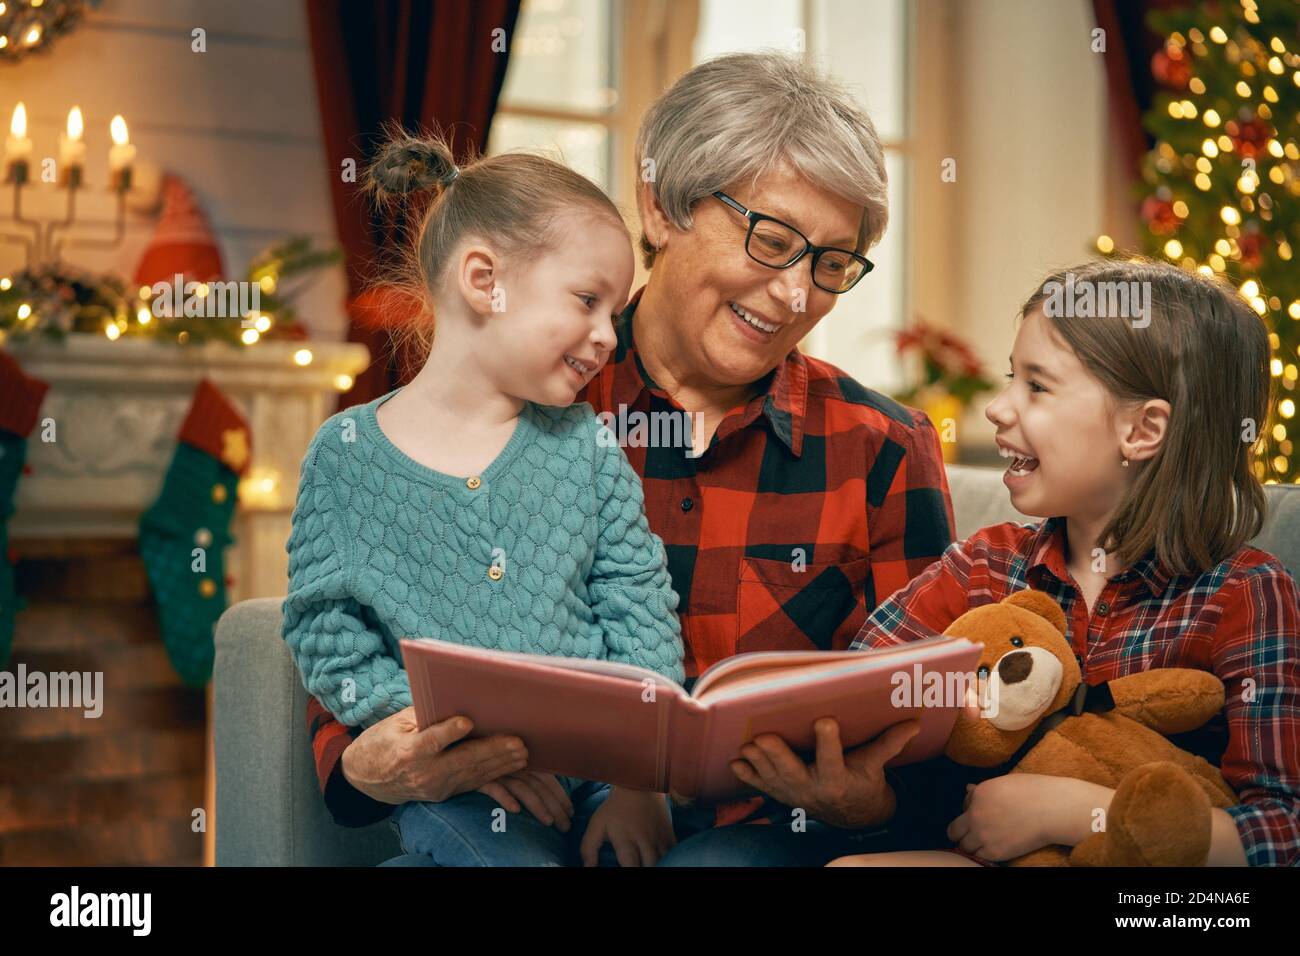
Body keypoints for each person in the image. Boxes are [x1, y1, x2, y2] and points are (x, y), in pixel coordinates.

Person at [302, 51, 956, 867]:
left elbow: (936, 740)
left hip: (756, 841)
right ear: (660, 208)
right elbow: (354, 626)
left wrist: (870, 803)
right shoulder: (517, 393)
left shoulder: (885, 449)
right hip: (521, 816)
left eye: (829, 264)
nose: (797, 296)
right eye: (772, 239)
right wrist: (373, 762)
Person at [282, 126, 686, 867]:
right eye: (587, 301)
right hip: (461, 787)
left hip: (602, 778)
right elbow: (322, 630)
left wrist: (640, 782)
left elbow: (640, 606)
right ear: (482, 280)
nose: (607, 337)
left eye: (613, 312)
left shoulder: (589, 448)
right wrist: (443, 742)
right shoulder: (343, 458)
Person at [828, 259, 1300, 866]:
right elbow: (858, 688)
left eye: (1037, 386)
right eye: (1009, 379)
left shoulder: (1244, 593)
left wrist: (1074, 811)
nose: (998, 409)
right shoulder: (987, 565)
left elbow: (1282, 830)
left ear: (1142, 430)